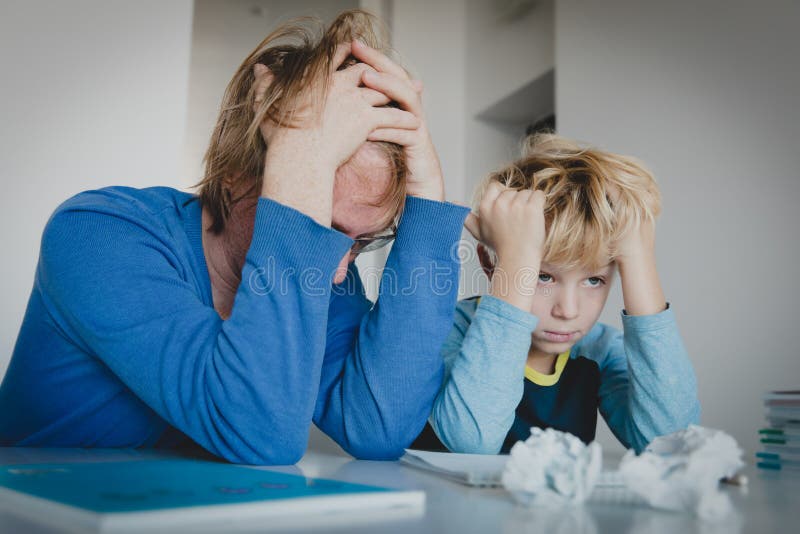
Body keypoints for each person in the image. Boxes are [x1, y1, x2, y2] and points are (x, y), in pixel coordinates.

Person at [0, 10, 470, 465]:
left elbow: (379, 429)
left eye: (360, 242)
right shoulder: (98, 234)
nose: (338, 270)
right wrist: (299, 165)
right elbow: (259, 434)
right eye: (322, 225)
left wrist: (428, 199)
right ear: (233, 172)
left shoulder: (322, 278)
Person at [412, 133, 701, 454]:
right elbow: (470, 441)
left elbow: (672, 443)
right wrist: (516, 260)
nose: (568, 310)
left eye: (593, 280)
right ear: (490, 263)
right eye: (543, 276)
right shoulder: (448, 329)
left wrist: (637, 256)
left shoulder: (598, 351)